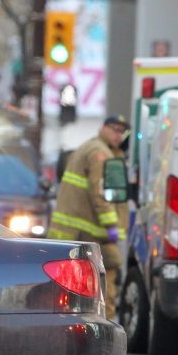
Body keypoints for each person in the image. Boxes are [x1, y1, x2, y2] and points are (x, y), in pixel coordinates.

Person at [46, 114, 131, 320]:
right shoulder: (100, 154)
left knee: (70, 294)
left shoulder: (89, 148)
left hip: (72, 236)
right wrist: (112, 225)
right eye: (114, 129)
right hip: (91, 235)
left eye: (122, 131)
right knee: (106, 288)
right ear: (103, 128)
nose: (118, 135)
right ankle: (105, 335)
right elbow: (100, 192)